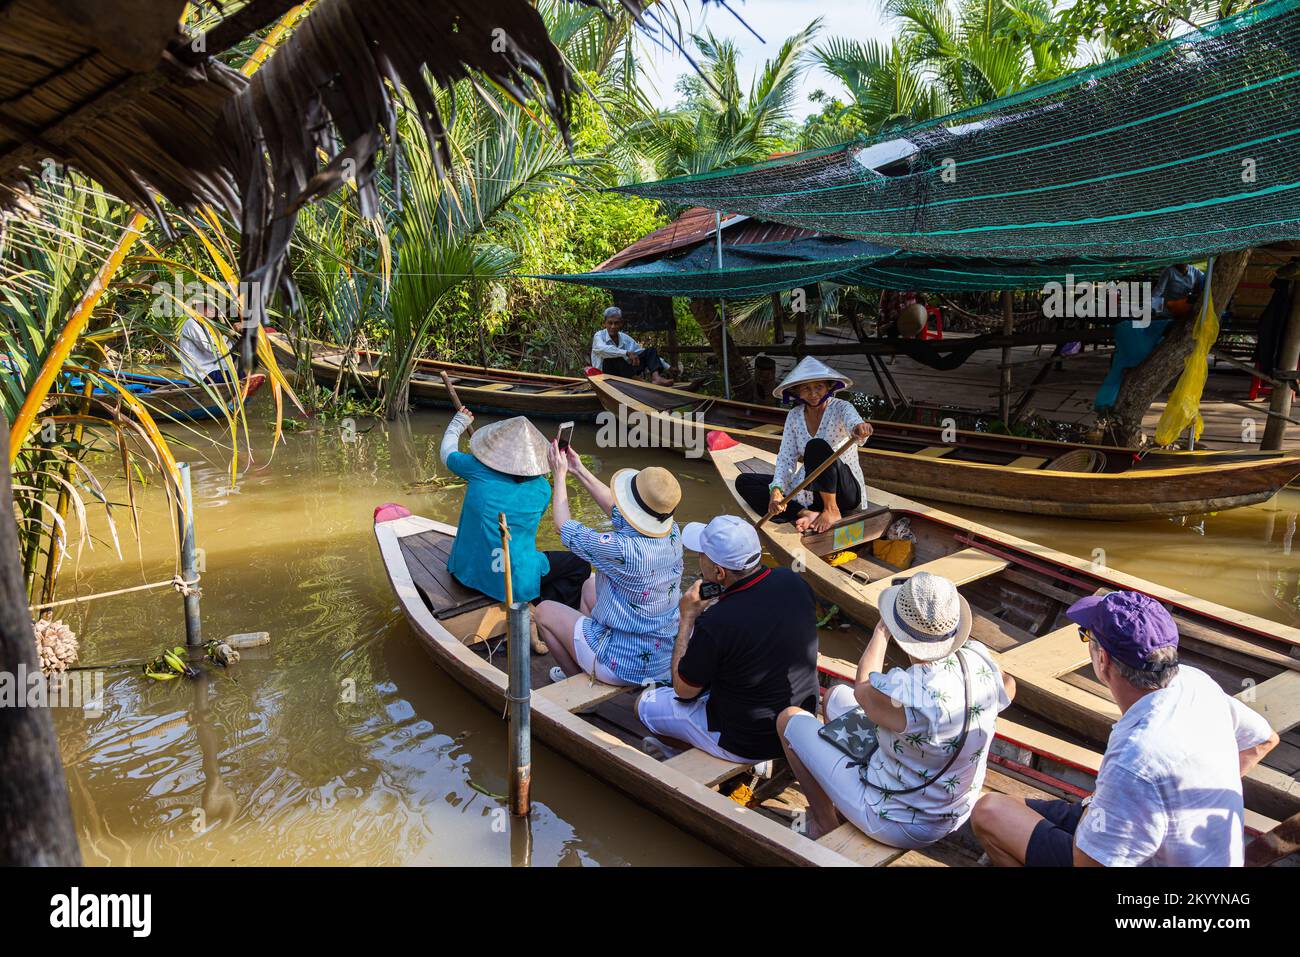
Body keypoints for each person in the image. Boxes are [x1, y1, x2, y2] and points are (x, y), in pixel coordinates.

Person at [971, 591, 1278, 867]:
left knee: (988, 812)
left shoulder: (1136, 756)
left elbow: (1088, 864)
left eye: (1085, 636)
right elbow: (1262, 741)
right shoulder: (1194, 682)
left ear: (1103, 660)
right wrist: (1191, 799)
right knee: (1014, 806)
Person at [778, 572, 1015, 847]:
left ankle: (823, 822)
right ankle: (844, 805)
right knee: (834, 696)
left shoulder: (908, 690)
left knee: (789, 721)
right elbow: (1008, 686)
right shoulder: (977, 657)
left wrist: (882, 630)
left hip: (896, 822)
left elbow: (863, 688)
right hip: (955, 808)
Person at [636, 515, 820, 764]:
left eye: (702, 555)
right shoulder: (794, 581)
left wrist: (688, 618)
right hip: (797, 722)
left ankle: (689, 752)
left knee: (644, 703)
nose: (699, 559)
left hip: (747, 741)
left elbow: (683, 691)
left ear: (719, 572)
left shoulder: (715, 622)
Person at [534, 444, 683, 687]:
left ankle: (579, 682)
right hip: (658, 657)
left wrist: (559, 475)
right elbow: (617, 509)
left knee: (544, 611)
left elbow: (564, 527)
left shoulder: (623, 549)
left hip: (622, 663)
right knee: (589, 586)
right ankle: (583, 660)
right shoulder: (671, 531)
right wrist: (578, 469)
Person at [440, 410, 590, 652]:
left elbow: (447, 452)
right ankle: (540, 610)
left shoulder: (476, 469)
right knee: (579, 565)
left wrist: (458, 423)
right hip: (516, 580)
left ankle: (532, 611)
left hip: (467, 572)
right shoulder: (543, 489)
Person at [734, 357, 873, 534]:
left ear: (828, 387)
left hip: (844, 493)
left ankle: (831, 511)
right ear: (797, 392)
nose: (814, 394)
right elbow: (786, 457)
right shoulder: (794, 416)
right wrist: (776, 490)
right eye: (806, 388)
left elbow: (854, 424)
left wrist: (860, 428)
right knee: (745, 482)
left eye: (819, 387)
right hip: (812, 494)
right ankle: (807, 513)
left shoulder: (841, 407)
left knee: (816, 446)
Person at [590, 306, 674, 384]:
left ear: (621, 324)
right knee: (614, 357)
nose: (613, 326)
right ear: (604, 324)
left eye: (616, 323)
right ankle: (642, 382)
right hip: (606, 375)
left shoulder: (625, 338)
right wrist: (626, 353)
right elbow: (602, 349)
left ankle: (656, 377)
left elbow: (641, 352)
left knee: (650, 351)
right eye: (610, 323)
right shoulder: (599, 335)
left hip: (626, 373)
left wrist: (668, 367)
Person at [178, 303, 231, 384]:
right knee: (242, 376)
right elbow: (211, 348)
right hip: (203, 375)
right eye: (209, 306)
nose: (213, 309)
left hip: (212, 370)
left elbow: (218, 346)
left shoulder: (205, 325)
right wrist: (229, 336)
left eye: (214, 307)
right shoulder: (192, 324)